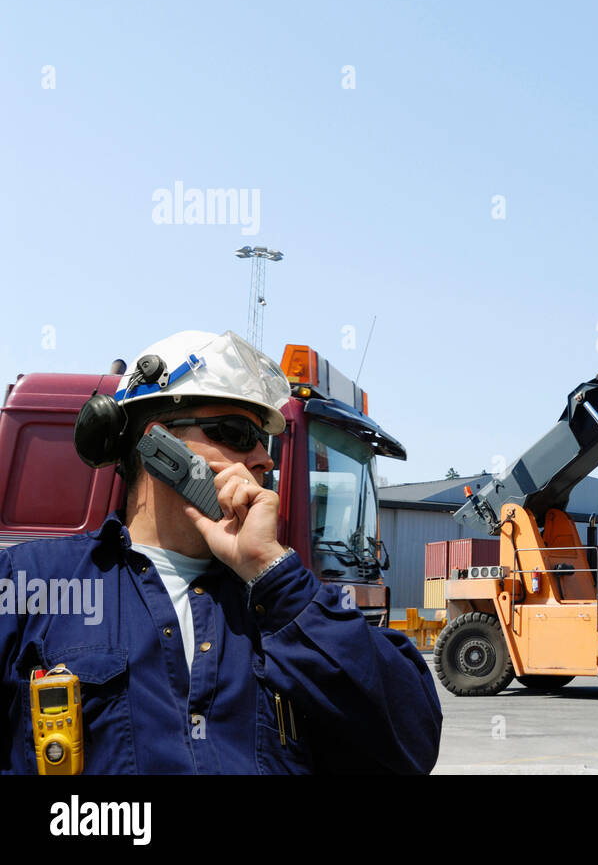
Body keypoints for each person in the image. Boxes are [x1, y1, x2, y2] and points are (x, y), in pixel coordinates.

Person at [0, 330, 442, 773]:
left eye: (265, 443)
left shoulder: (286, 605)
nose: (263, 460)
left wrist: (273, 576)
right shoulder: (29, 584)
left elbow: (412, 743)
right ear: (160, 446)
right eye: (236, 432)